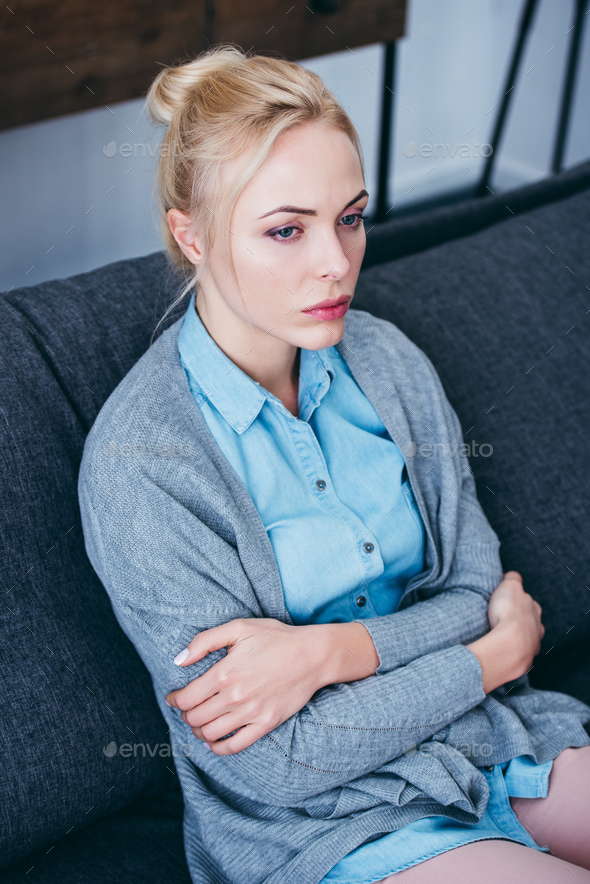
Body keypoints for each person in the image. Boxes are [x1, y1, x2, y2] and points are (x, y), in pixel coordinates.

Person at [78, 44, 590, 884]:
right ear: (192, 234)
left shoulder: (386, 362)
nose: (338, 262)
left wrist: (325, 655)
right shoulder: (142, 467)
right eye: (287, 229)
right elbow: (279, 760)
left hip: (493, 741)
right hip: (323, 825)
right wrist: (492, 658)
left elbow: (475, 587)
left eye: (350, 217)